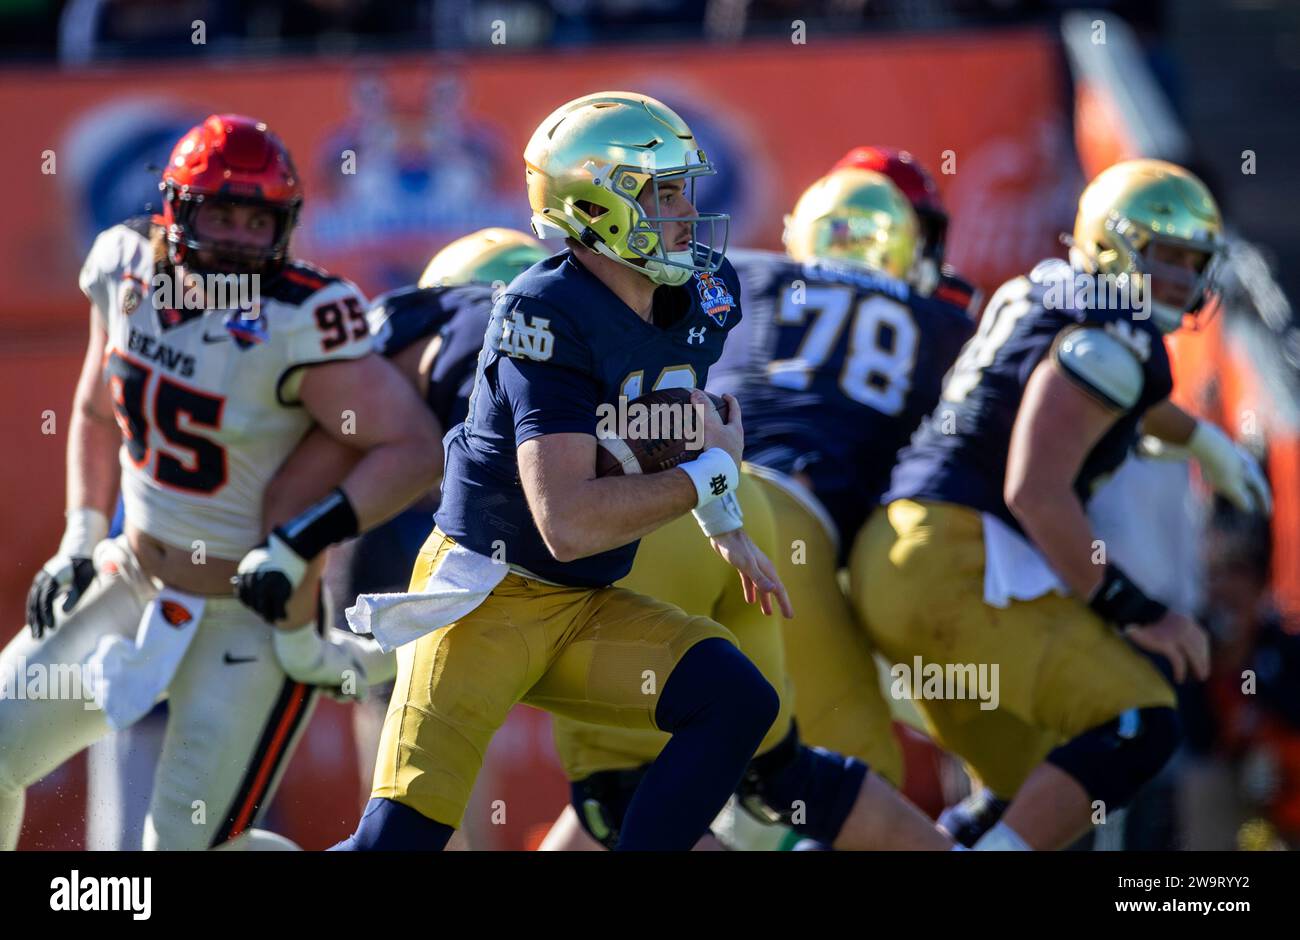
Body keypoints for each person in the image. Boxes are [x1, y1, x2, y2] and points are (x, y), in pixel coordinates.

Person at [332, 91, 793, 852]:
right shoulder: (541, 311)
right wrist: (712, 479)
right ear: (596, 206)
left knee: (738, 701)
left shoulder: (703, 292)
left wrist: (724, 522)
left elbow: (676, 417)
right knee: (398, 842)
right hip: (484, 601)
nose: (687, 212)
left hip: (584, 604)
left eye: (686, 188)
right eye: (664, 192)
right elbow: (569, 521)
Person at [3, 114, 440, 850]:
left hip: (246, 618)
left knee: (183, 846)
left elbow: (411, 447)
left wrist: (301, 542)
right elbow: (91, 410)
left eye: (257, 219)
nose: (239, 236)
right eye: (222, 213)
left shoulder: (302, 317)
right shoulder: (121, 267)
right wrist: (80, 536)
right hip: (131, 578)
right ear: (176, 209)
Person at [854, 158, 1272, 850]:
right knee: (1137, 719)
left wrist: (1200, 439)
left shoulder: (1044, 293)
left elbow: (1099, 386)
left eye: (1191, 263)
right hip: (958, 564)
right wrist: (1140, 612)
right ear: (1112, 243)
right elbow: (1037, 489)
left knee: (1035, 796)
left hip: (900, 561)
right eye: (1164, 257)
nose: (1179, 280)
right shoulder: (1111, 336)